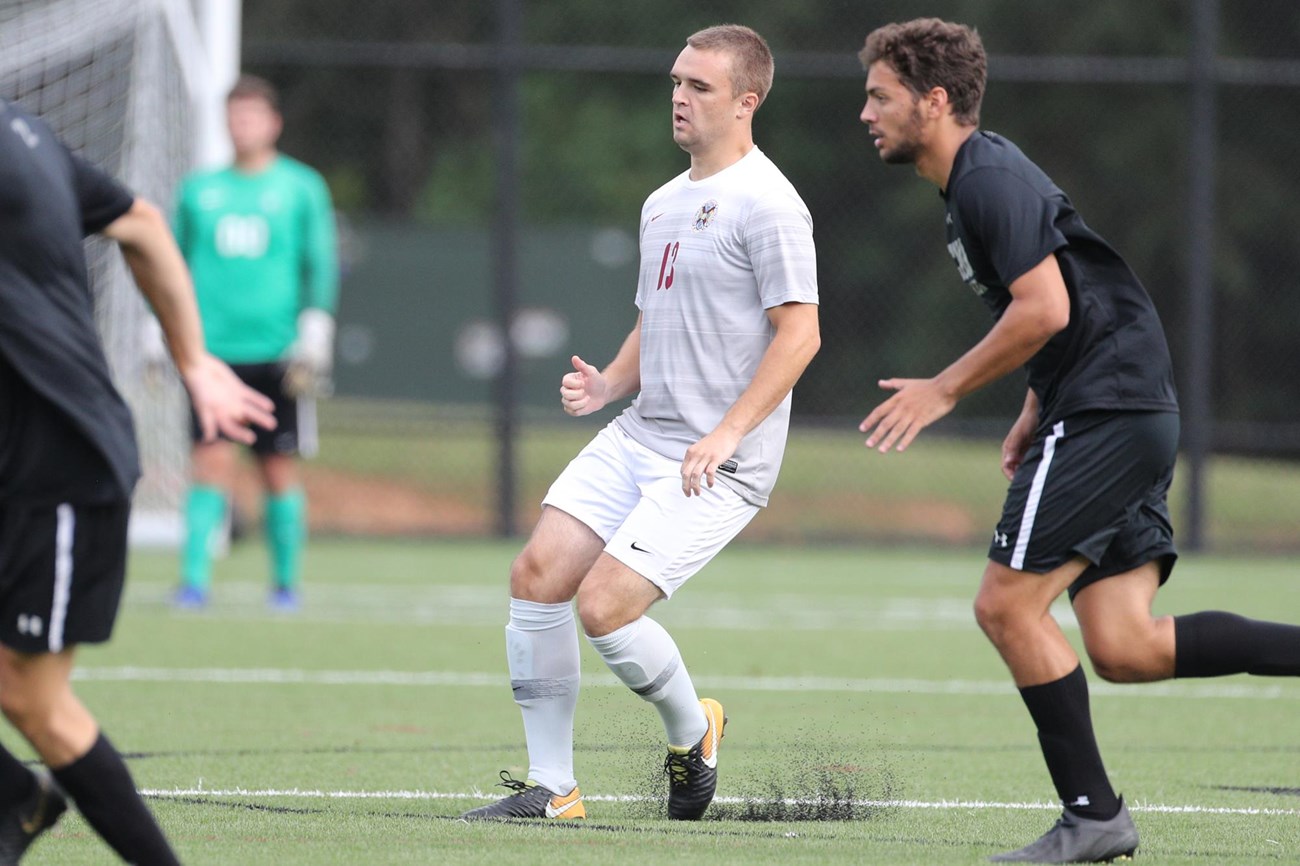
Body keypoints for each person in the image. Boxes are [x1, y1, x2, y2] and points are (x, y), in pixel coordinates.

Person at [856, 18, 1300, 864]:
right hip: (1112, 403)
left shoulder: (984, 178)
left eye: (880, 96)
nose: (866, 113)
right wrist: (1034, 403)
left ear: (934, 100)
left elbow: (1048, 307)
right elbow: (1070, 303)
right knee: (1125, 647)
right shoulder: (973, 181)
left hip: (1109, 410)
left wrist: (945, 388)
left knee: (1004, 605)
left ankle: (1094, 817)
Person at [461, 24, 820, 822]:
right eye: (675, 83)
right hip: (641, 435)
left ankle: (694, 733)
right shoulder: (663, 201)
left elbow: (801, 334)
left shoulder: (770, 205)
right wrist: (611, 382)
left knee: (605, 607)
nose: (680, 98)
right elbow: (653, 320)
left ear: (747, 102)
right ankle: (554, 788)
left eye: (699, 87)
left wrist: (728, 432)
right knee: (536, 577)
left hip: (716, 462)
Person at [0, 98, 275, 863]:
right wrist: (193, 362)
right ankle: (15, 800)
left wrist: (196, 365)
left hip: (54, 460)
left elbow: (146, 224)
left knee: (31, 700)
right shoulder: (25, 132)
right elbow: (143, 221)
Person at [171, 74, 339, 612]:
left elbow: (321, 262)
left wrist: (317, 326)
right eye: (234, 115)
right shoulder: (199, 190)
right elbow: (170, 265)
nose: (242, 125)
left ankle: (285, 585)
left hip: (278, 354)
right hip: (213, 355)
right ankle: (194, 583)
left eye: (252, 116)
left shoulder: (301, 187)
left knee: (277, 469)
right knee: (210, 463)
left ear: (273, 123)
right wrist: (165, 329)